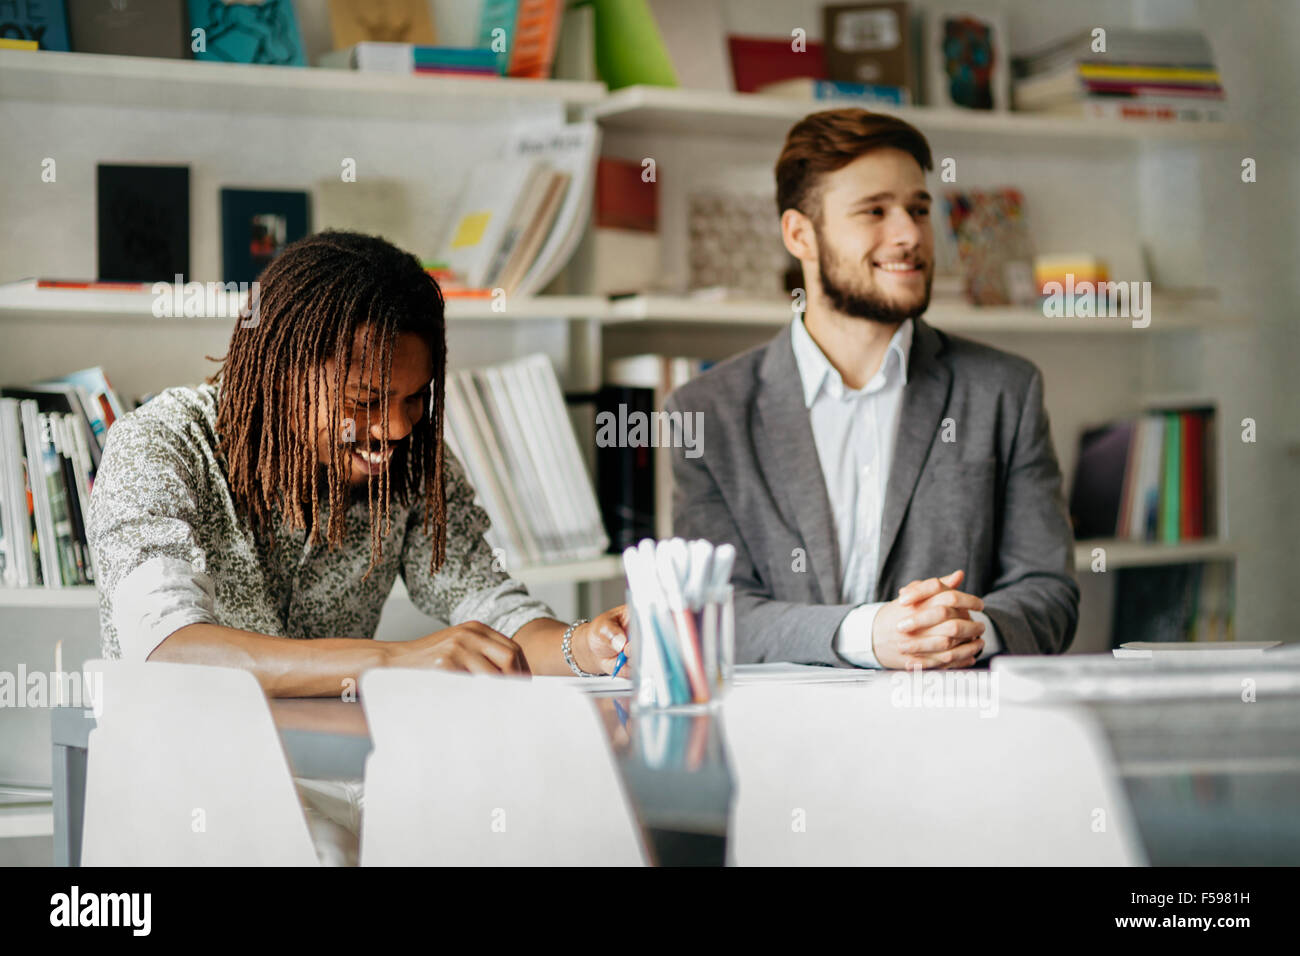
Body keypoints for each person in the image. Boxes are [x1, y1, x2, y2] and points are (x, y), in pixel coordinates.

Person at [86, 231, 628, 862]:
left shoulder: (410, 464)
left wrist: (587, 644)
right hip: (200, 787)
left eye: (414, 400)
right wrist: (396, 662)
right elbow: (170, 650)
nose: (396, 428)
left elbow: (491, 602)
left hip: (362, 777)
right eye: (366, 402)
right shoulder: (159, 448)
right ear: (283, 368)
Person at [665, 108, 1078, 670]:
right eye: (874, 211)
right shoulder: (706, 413)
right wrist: (872, 634)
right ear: (799, 235)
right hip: (780, 743)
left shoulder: (1006, 391)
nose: (909, 234)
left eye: (918, 209)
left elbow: (1048, 590)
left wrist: (960, 629)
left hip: (954, 734)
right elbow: (713, 611)